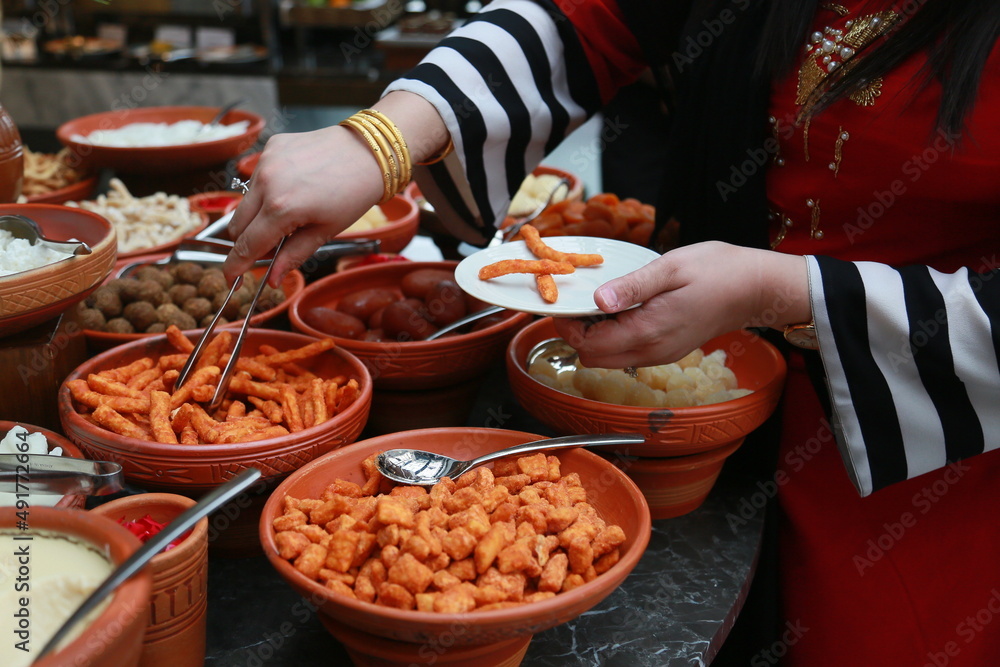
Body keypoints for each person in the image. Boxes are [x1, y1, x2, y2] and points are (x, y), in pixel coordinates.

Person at [223, 0, 1000, 663]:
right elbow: (586, 21)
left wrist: (780, 289)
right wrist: (383, 138)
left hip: (936, 456)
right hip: (722, 417)